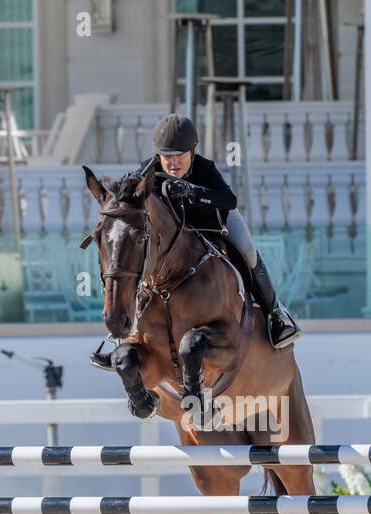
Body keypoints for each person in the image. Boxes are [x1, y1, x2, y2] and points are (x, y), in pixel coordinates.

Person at [91, 114, 300, 369]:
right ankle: (118, 340)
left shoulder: (205, 169)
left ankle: (276, 314)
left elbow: (229, 200)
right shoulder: (148, 171)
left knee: (247, 252)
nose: (173, 162)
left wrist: (192, 191)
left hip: (213, 224)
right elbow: (128, 195)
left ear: (193, 151)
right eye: (166, 156)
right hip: (174, 242)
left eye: (180, 154)